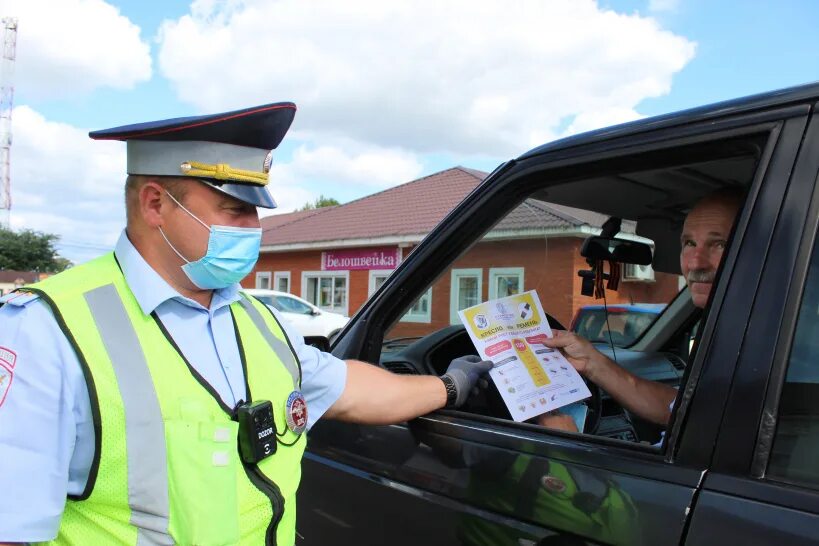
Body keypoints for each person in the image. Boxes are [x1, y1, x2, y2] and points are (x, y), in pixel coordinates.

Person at [0, 103, 492, 545]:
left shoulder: (255, 319)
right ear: (155, 205)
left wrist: (455, 383)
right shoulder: (46, 328)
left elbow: (350, 390)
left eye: (255, 212)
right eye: (234, 210)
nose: (253, 230)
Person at [540, 189, 743, 431]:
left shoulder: (775, 339)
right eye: (689, 243)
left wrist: (567, 448)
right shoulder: (736, 323)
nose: (695, 262)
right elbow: (679, 410)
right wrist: (591, 362)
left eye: (719, 244)